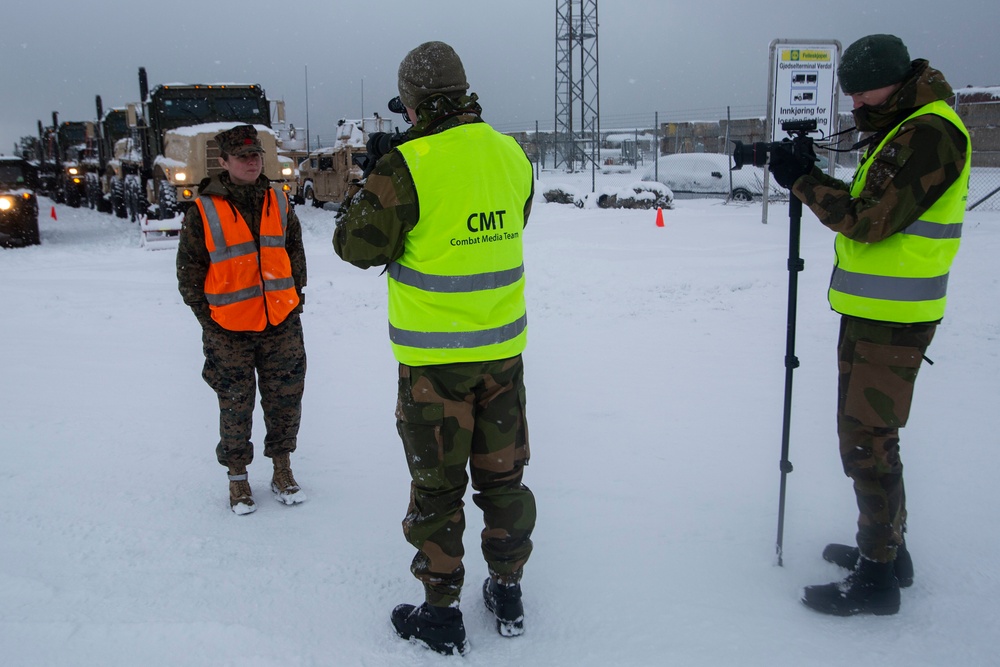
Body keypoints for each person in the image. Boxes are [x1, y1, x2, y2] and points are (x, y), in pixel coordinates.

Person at [333, 41, 537, 655]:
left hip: (435, 369)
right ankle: (508, 589)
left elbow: (355, 246)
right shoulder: (511, 155)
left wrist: (376, 180)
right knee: (503, 479)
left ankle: (441, 612)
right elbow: (510, 220)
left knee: (437, 488)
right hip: (502, 356)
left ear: (416, 104)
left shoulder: (405, 167)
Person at [768, 34, 971, 616]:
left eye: (863, 92)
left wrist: (804, 180)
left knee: (867, 444)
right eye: (849, 94)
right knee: (872, 440)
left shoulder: (929, 133)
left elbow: (868, 220)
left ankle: (878, 577)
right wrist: (808, 174)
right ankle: (886, 550)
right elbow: (870, 204)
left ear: (897, 79)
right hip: (877, 313)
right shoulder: (905, 125)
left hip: (894, 319)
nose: (855, 105)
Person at [177, 124, 308, 515]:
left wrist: (294, 301)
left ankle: (282, 469)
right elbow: (190, 273)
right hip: (228, 330)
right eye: (242, 157)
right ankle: (237, 478)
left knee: (285, 399)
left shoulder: (279, 201)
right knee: (235, 404)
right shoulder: (203, 210)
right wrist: (209, 321)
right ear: (224, 162)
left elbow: (294, 255)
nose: (251, 162)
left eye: (256, 156)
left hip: (280, 324)